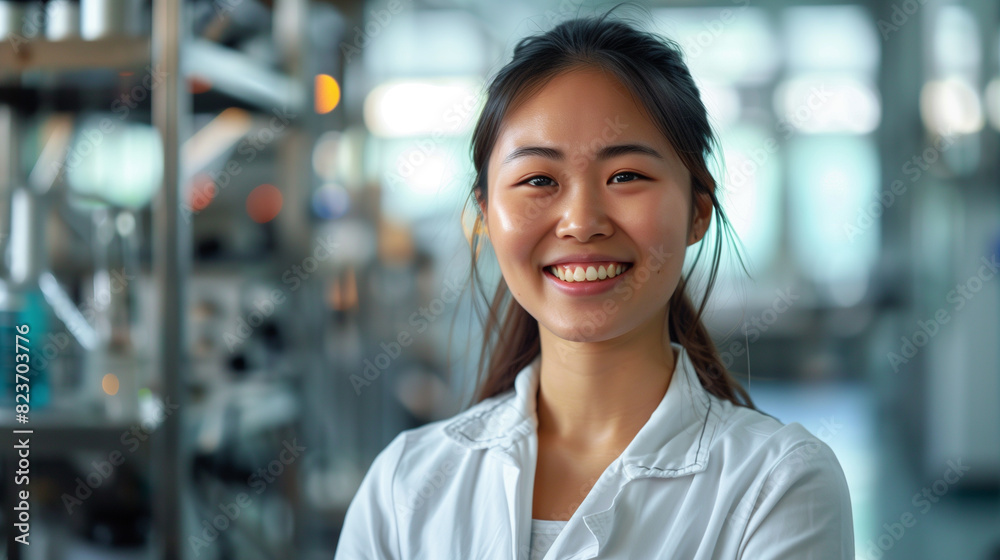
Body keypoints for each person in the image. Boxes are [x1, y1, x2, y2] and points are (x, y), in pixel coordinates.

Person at [334, 8, 854, 560]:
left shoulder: (777, 486)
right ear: (484, 214)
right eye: (538, 180)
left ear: (698, 210)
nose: (581, 221)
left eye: (626, 176)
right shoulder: (404, 485)